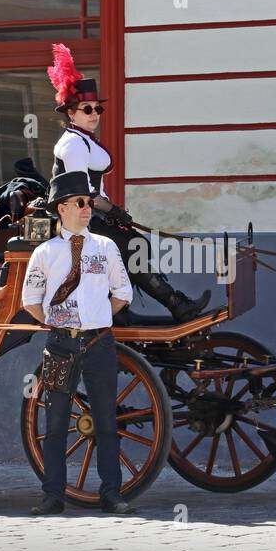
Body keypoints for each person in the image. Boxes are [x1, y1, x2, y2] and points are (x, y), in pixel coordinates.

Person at [46, 43, 210, 324]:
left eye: (98, 109)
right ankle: (174, 304)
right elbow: (81, 193)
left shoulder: (83, 139)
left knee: (134, 244)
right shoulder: (73, 144)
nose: (94, 113)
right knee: (131, 246)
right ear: (71, 113)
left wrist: (112, 213)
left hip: (92, 218)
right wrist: (111, 212)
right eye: (87, 109)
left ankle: (131, 311)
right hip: (80, 222)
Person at [21, 169, 136, 516]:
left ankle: (111, 494)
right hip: (60, 345)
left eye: (89, 203)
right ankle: (53, 495)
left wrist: (97, 316)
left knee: (105, 421)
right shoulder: (45, 253)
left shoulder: (106, 247)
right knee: (55, 423)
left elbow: (123, 292)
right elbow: (31, 299)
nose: (88, 209)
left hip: (99, 343)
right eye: (80, 203)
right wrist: (58, 322)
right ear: (62, 208)